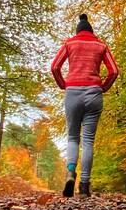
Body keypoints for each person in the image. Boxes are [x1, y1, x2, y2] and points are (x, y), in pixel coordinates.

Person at [49, 13, 119, 196]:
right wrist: (103, 87)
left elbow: (55, 67)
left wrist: (63, 84)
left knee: (73, 137)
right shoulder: (100, 45)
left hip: (73, 92)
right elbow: (114, 71)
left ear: (78, 31)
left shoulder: (69, 44)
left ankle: (71, 172)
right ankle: (85, 185)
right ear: (91, 31)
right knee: (88, 141)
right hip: (94, 94)